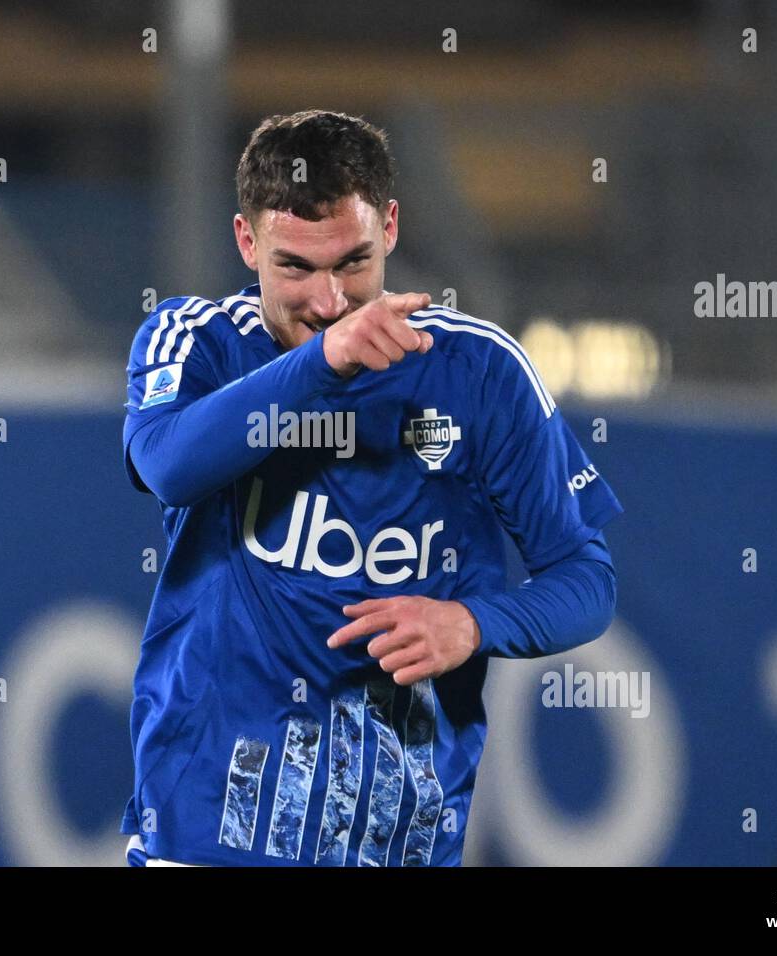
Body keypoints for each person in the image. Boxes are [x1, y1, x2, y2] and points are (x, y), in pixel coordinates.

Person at [119, 109, 623, 866]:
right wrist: (323, 363)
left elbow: (588, 579)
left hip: (400, 845)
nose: (329, 303)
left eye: (353, 263)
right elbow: (166, 464)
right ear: (246, 241)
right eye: (296, 267)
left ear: (390, 227)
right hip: (206, 841)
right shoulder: (196, 342)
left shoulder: (479, 372)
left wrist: (472, 625)